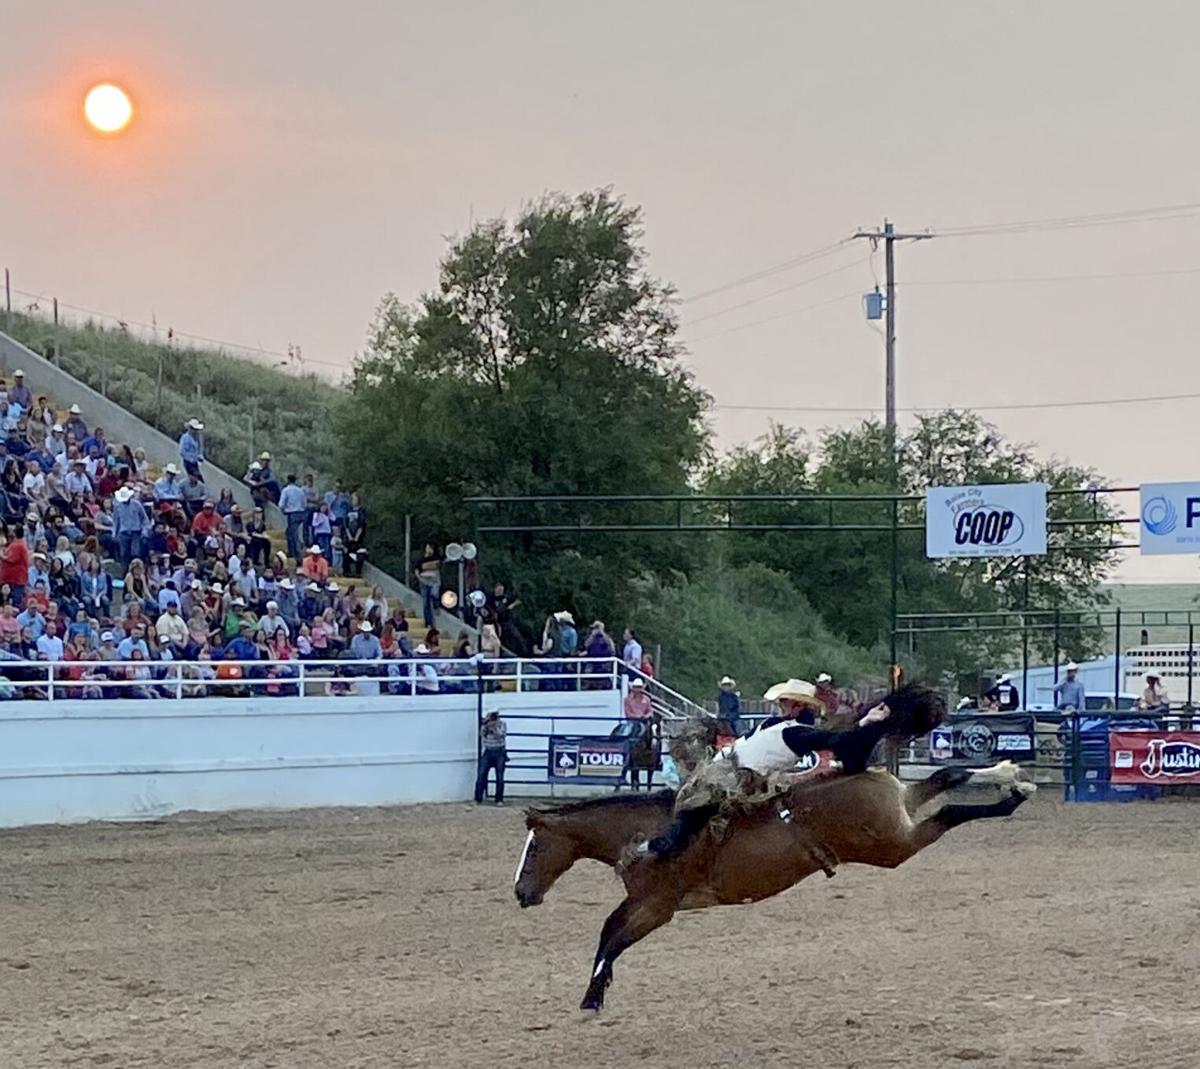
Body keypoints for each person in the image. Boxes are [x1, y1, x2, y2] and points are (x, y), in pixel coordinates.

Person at [474, 710, 508, 806]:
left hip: (499, 751)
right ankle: (478, 798)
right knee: (481, 774)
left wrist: (494, 728)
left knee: (500, 777)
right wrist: (486, 726)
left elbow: (501, 735)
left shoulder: (502, 724)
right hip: (488, 751)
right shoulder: (485, 725)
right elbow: (481, 735)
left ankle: (499, 799)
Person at [279, 474, 308, 560]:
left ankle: (297, 554)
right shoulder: (300, 490)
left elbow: (281, 504)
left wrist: (283, 510)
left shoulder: (286, 490)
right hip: (301, 513)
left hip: (291, 514)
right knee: (291, 533)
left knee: (294, 535)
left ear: (288, 480)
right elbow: (305, 503)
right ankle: (292, 552)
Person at [415, 543, 441, 628]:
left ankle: (436, 605)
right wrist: (420, 579)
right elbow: (417, 570)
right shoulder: (421, 560)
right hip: (424, 581)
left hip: (433, 581)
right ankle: (428, 621)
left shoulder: (436, 558)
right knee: (426, 602)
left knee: (434, 595)